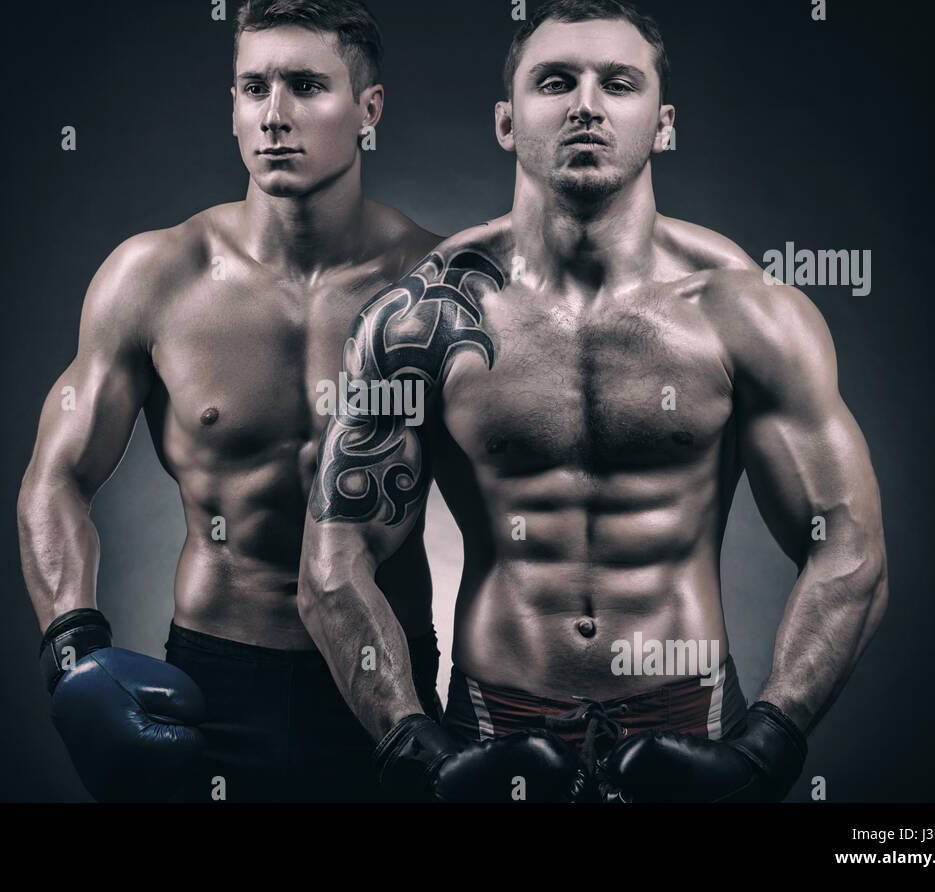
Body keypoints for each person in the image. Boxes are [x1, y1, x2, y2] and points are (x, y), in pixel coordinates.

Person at [298, 0, 888, 802]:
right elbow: (333, 563)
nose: (586, 104)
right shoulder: (422, 320)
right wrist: (409, 740)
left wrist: (770, 740)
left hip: (693, 718)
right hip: (492, 722)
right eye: (555, 81)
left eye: (618, 82)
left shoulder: (748, 313)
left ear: (663, 121)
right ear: (507, 121)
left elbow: (848, 548)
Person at [17, 0, 444, 803]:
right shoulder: (154, 277)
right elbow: (57, 475)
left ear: (368, 110)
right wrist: (73, 652)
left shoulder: (434, 290)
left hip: (392, 692)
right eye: (254, 88)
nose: (275, 116)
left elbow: (515, 506)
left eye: (308, 86)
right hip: (215, 686)